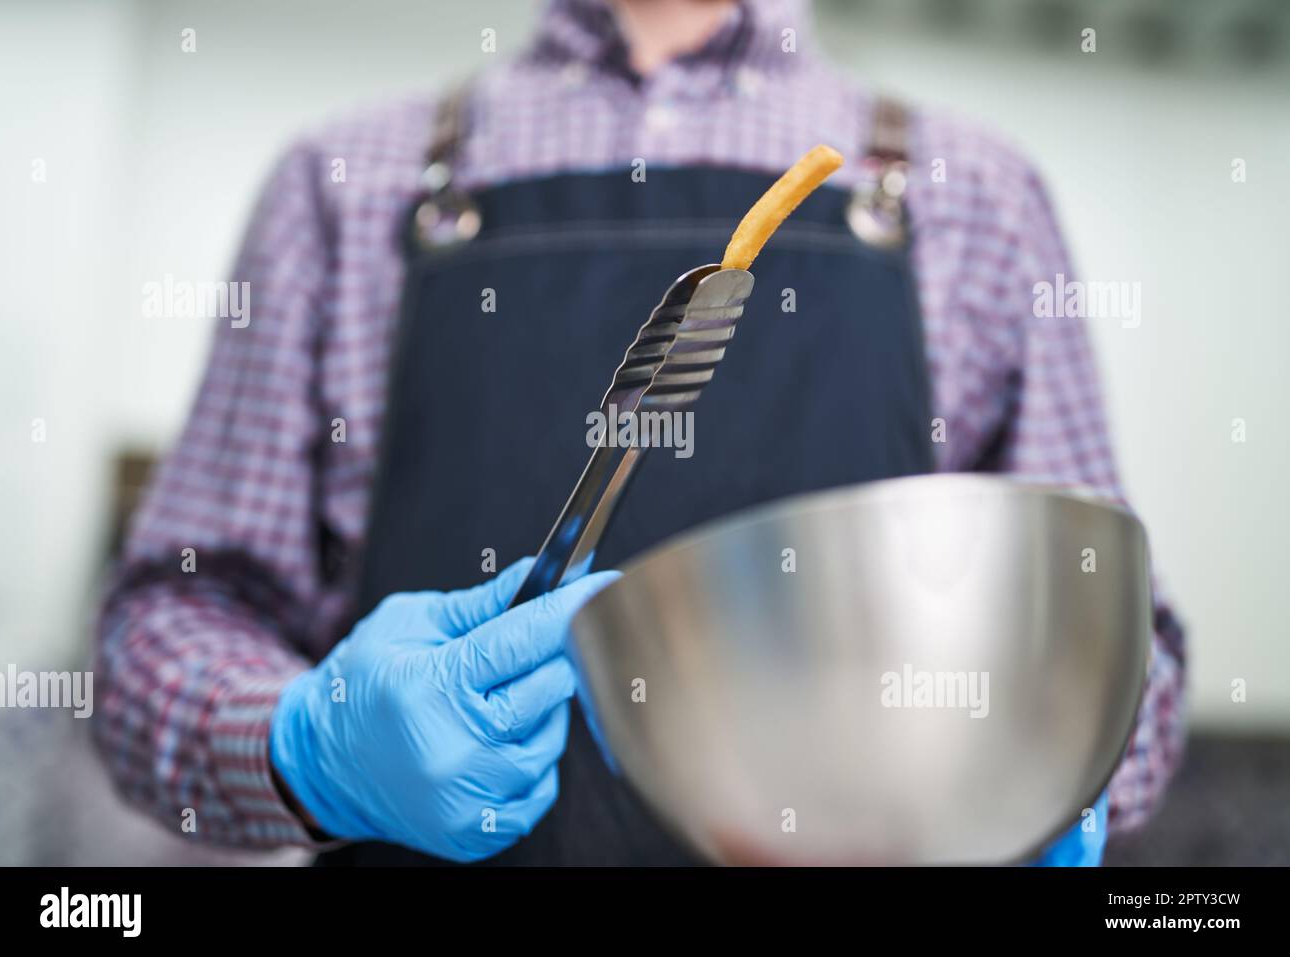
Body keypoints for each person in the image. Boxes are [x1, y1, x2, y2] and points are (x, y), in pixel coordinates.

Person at [94, 0, 1185, 865]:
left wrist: (1044, 771)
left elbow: (1121, 631)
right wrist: (306, 748)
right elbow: (163, 627)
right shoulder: (342, 184)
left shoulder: (976, 193)